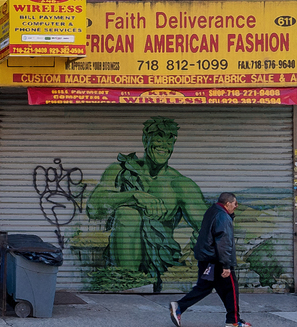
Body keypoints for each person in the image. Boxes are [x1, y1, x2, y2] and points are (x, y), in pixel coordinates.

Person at [84, 117, 208, 287]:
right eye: (158, 138)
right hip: (121, 267)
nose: (164, 145)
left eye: (169, 139)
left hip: (161, 261)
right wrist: (133, 196)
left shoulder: (180, 185)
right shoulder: (120, 170)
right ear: (145, 139)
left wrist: (195, 252)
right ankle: (128, 282)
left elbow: (208, 227)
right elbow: (93, 208)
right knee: (127, 213)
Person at [169, 192, 248, 327]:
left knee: (204, 287)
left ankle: (179, 306)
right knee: (231, 288)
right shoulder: (223, 217)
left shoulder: (212, 211)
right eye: (235, 203)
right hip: (217, 260)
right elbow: (223, 243)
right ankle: (233, 321)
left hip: (206, 258)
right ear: (227, 203)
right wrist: (226, 265)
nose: (236, 206)